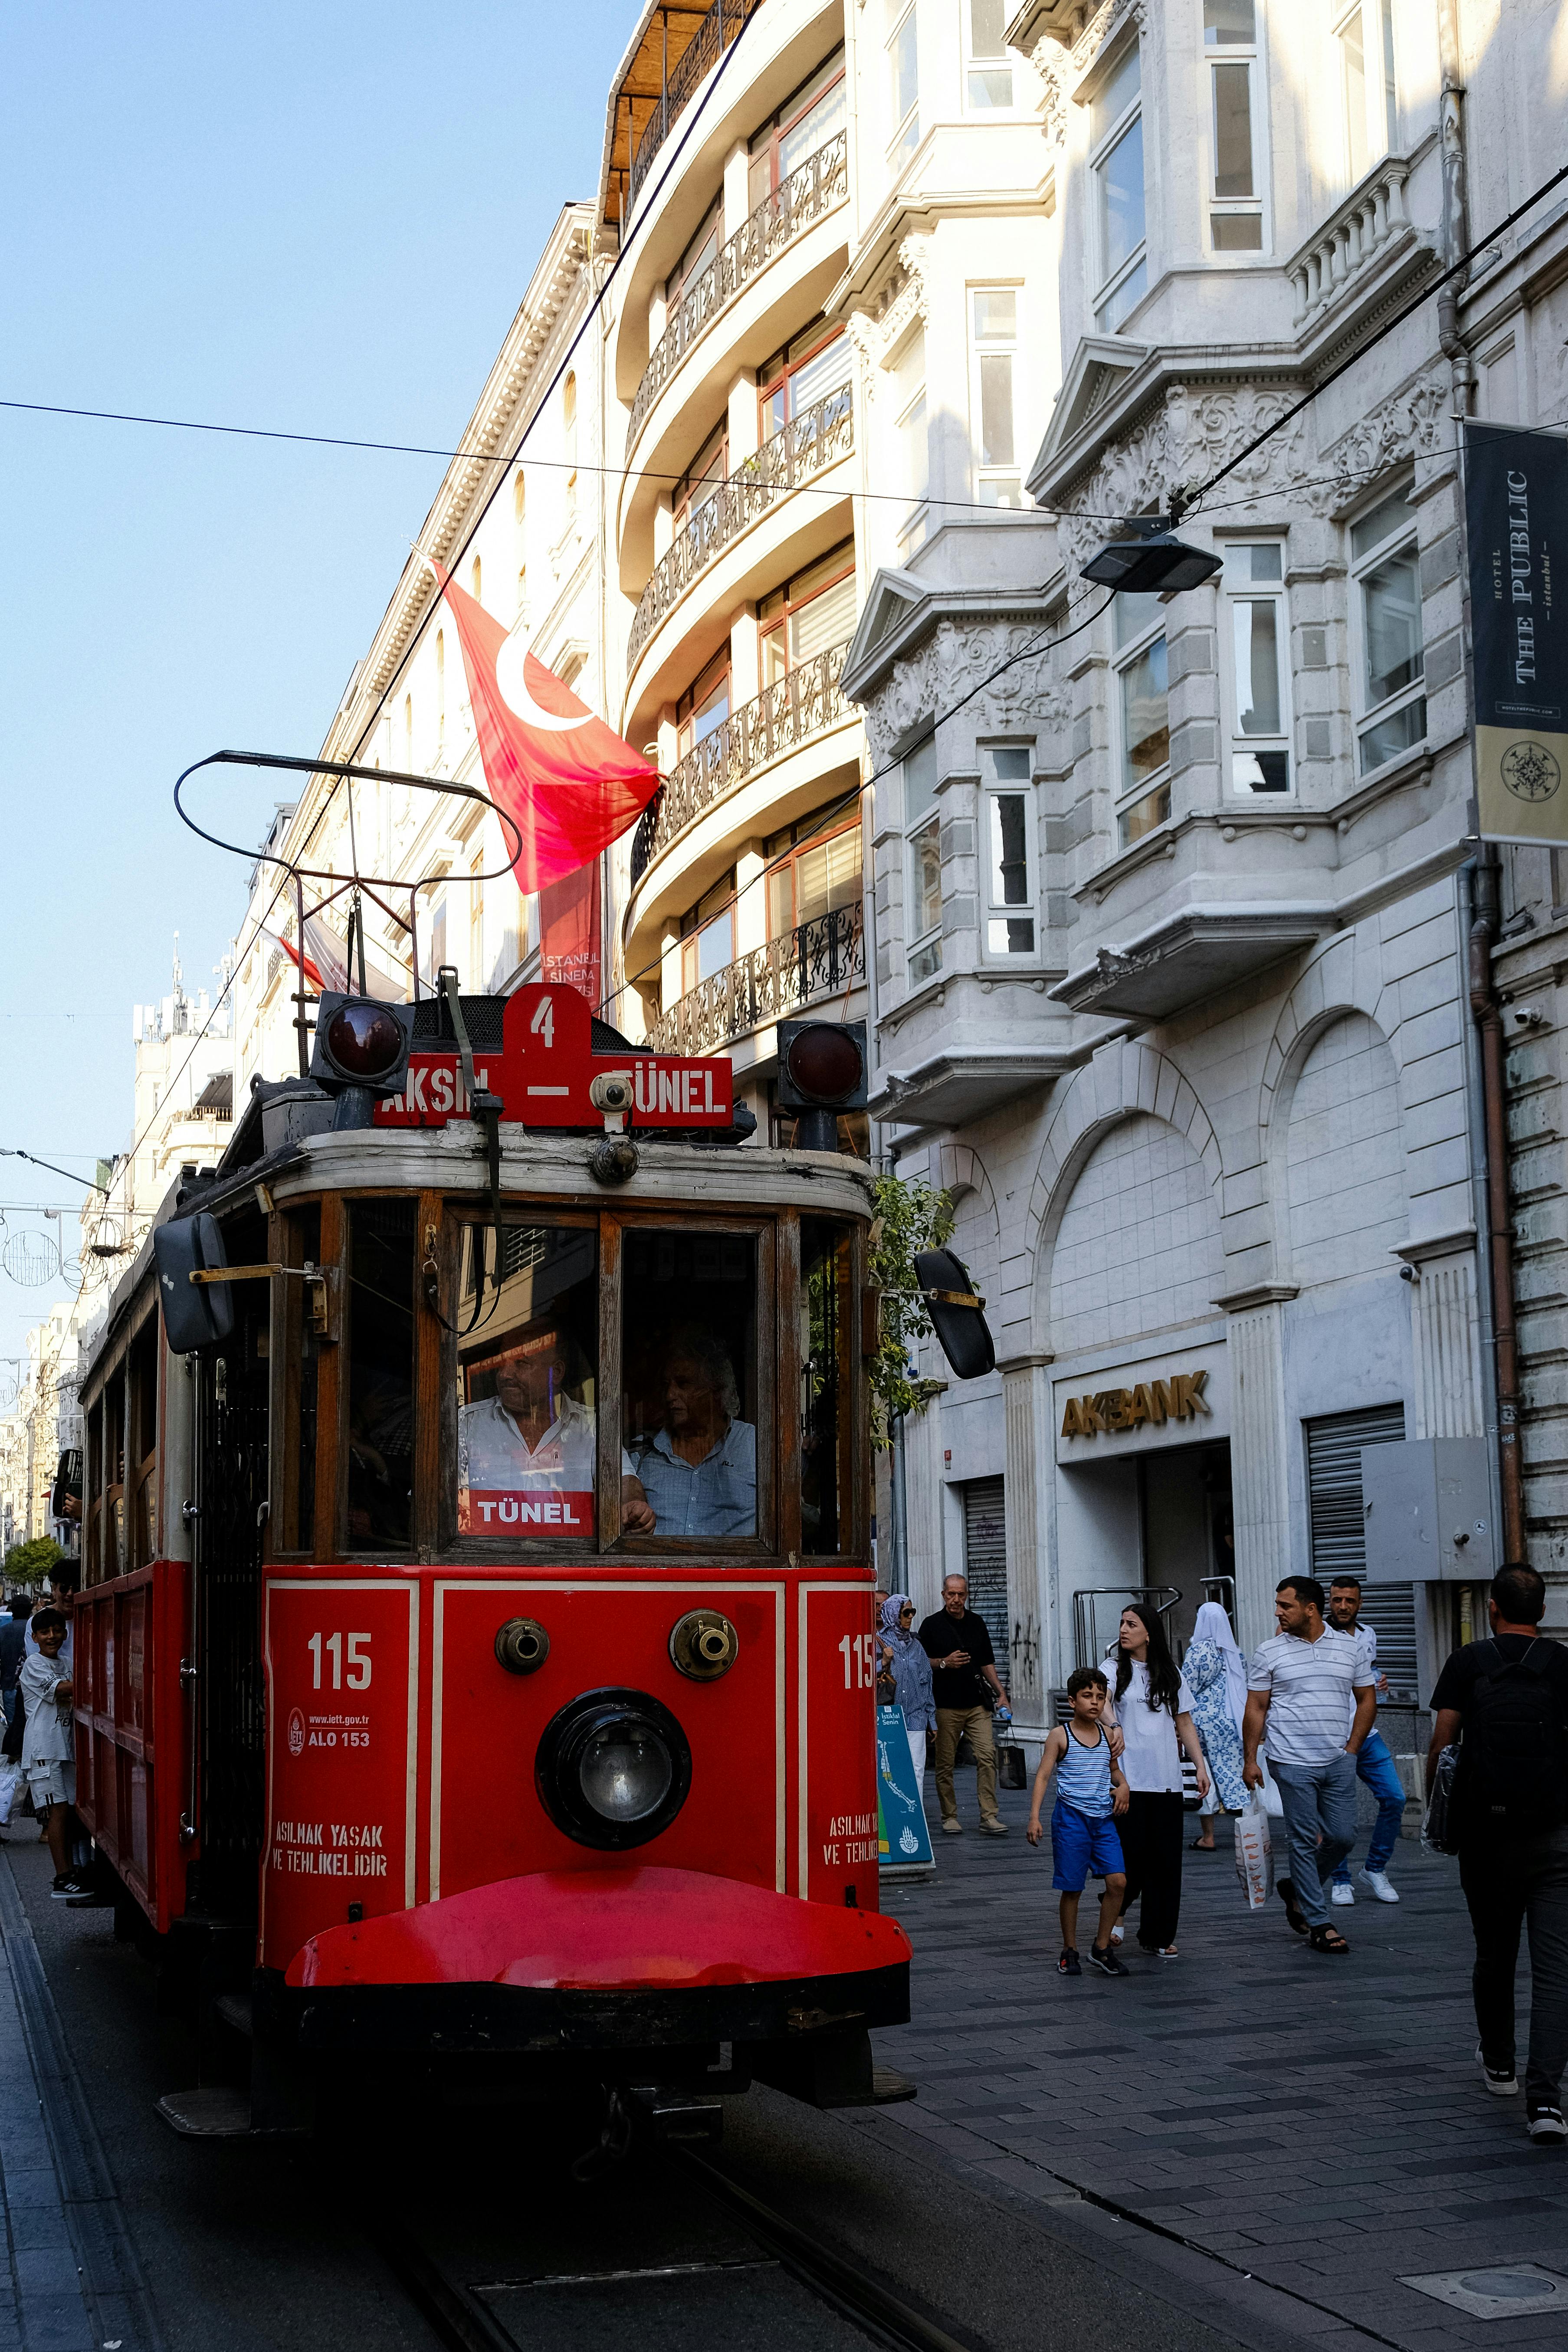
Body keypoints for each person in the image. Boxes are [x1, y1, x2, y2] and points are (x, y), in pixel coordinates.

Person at [1428, 1562, 1568, 2142]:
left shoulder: (1467, 1662)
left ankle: (1500, 2066)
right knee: (1555, 1973)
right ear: (1542, 1609)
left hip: (1485, 1839)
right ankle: (1545, 2104)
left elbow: (1441, 1746)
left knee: (1494, 1953)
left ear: (1492, 1607)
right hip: (1555, 1836)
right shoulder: (1562, 1663)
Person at [1243, 1575, 1375, 1955]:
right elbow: (1257, 1707)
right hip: (1290, 1759)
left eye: (1286, 1605)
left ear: (1311, 1608)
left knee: (1344, 1836)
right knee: (1302, 1840)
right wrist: (1250, 1759)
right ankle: (1321, 1923)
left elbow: (1366, 1699)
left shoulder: (1351, 1649)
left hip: (1338, 1759)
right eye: (1278, 1605)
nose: (1278, 1612)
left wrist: (1353, 1748)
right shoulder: (1269, 1651)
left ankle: (1298, 1888)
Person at [459, 1319, 654, 1535]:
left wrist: (631, 1506)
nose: (504, 1374)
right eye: (502, 1363)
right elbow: (434, 1499)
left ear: (557, 1372)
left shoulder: (591, 1428)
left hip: (570, 1566)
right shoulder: (467, 1424)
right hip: (486, 1565)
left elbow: (623, 1481)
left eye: (521, 1363)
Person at [1103, 1603, 1209, 1957]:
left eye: (1131, 1623)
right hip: (1129, 1779)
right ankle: (1116, 1911)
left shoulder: (1170, 1673)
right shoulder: (1114, 1669)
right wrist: (1114, 1723)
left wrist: (1200, 1765)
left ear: (1149, 1632)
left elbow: (1185, 1722)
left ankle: (1158, 1934)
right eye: (1121, 1622)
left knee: (1165, 1862)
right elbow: (1100, 1701)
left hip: (1167, 1779)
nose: (1123, 1629)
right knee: (1132, 1857)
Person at [1027, 1666, 1131, 1977]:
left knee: (1119, 1882)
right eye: (1088, 1696)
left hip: (1103, 1820)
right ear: (1072, 1701)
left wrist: (1123, 1785)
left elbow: (1114, 1770)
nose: (1095, 1702)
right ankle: (1069, 1949)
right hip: (1071, 1819)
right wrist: (1035, 1817)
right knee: (1072, 1888)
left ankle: (1101, 1947)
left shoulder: (1108, 1735)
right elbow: (1044, 1776)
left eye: (1100, 1696)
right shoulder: (1060, 1736)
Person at [1325, 1574, 1406, 1906]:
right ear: (1328, 1601)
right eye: (1337, 1599)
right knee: (1338, 1814)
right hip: (1331, 1738)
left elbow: (1368, 1677)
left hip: (1367, 1733)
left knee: (1395, 1798)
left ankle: (1374, 1869)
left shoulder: (1368, 1634)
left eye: (1350, 1600)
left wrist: (1379, 1682)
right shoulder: (1318, 1634)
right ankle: (1340, 1879)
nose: (1343, 1606)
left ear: (1360, 1603)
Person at [632, 1327, 757, 1538]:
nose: (671, 1395)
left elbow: (799, 1515)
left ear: (716, 1390)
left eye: (683, 1384)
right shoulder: (639, 1451)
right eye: (666, 1385)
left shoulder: (756, 1445)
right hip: (657, 1570)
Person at [918, 1574, 1010, 1837]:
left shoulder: (977, 1623)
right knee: (945, 1763)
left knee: (987, 1756)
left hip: (977, 1704)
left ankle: (989, 1816)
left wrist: (1001, 1693)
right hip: (946, 1705)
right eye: (951, 1594)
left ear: (967, 1595)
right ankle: (949, 1816)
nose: (956, 1600)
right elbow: (921, 1663)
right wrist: (944, 1662)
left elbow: (987, 1663)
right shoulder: (931, 1625)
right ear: (943, 1594)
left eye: (961, 1595)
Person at [19, 1610, 90, 1898]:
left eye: (57, 1630)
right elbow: (63, 1690)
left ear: (65, 1633)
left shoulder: (68, 1663)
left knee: (72, 1808)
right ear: (34, 1638)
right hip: (43, 1749)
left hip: (65, 1748)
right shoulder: (34, 1664)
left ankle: (76, 1869)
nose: (52, 1636)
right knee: (57, 1811)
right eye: (45, 1632)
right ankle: (62, 1877)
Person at [1184, 1598, 1249, 1847]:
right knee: (1234, 1775)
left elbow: (1187, 1689)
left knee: (1205, 1774)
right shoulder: (1236, 1651)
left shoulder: (1198, 1651)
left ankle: (1208, 1837)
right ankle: (1246, 1833)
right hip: (1233, 1722)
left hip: (1202, 1723)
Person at [877, 1594, 936, 1785]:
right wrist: (883, 1662)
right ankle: (895, 1813)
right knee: (890, 1769)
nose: (910, 1617)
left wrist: (932, 1720)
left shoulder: (917, 1645)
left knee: (917, 1769)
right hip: (888, 1715)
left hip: (915, 1714)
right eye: (906, 1613)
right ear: (894, 1615)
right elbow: (863, 1674)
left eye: (913, 1612)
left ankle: (916, 1815)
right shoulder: (877, 1641)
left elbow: (926, 1681)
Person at [0, 1593, 30, 1735]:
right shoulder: (36, 1630)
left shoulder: (4, 1632)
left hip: (10, 1685)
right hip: (34, 1688)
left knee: (13, 1728)